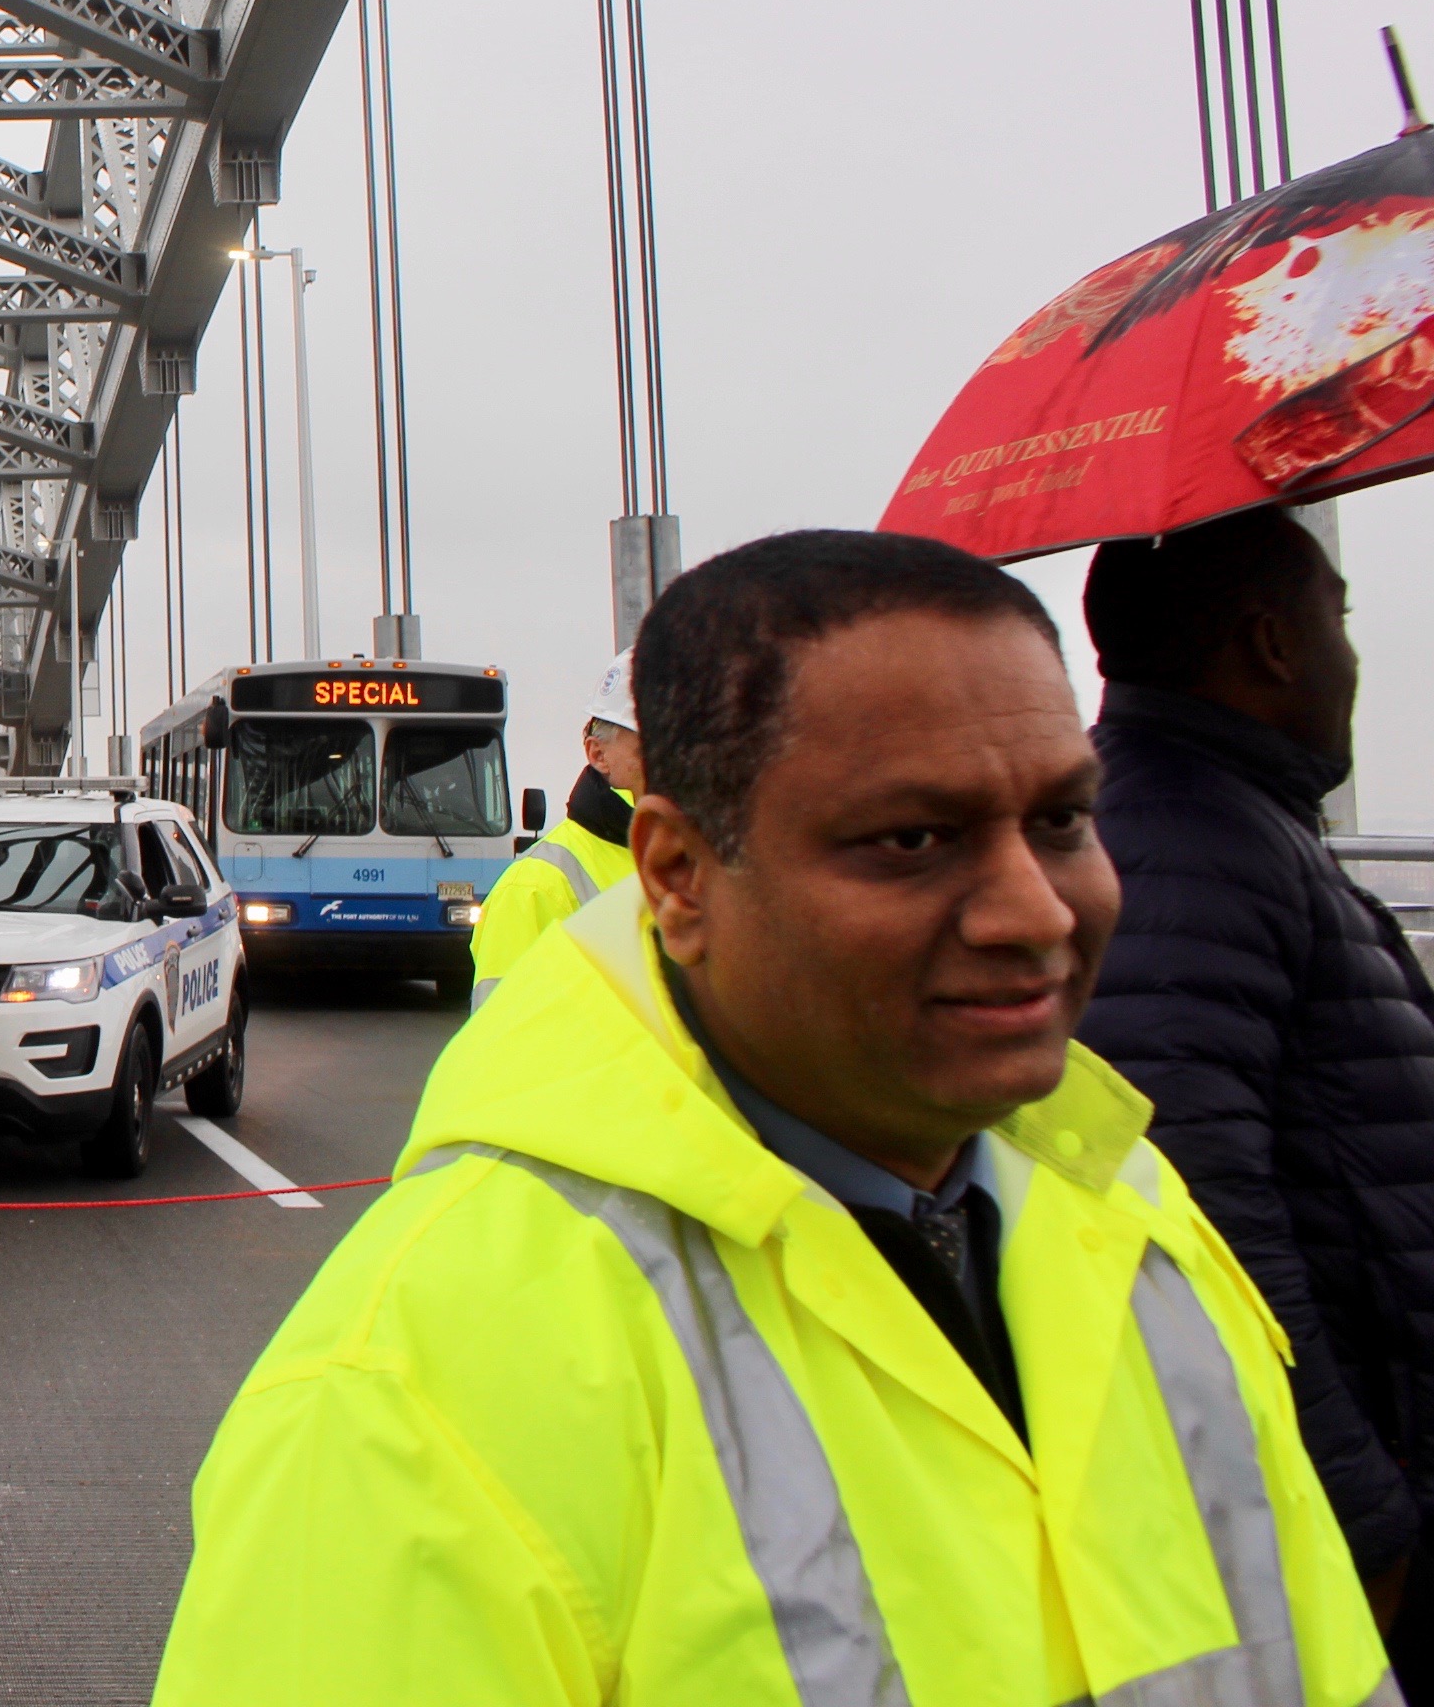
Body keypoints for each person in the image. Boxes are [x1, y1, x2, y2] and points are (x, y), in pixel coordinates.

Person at [155, 528, 1389, 1707]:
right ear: (677, 877)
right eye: (913, 838)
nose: (1035, 912)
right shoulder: (410, 1385)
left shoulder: (1134, 1213)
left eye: (1064, 821)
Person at [1076, 505, 1434, 1689]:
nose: (1352, 656)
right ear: (1271, 644)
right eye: (1336, 618)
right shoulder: (1181, 840)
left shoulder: (1230, 821)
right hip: (1355, 1503)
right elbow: (1201, 1216)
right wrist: (1361, 1512)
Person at [468, 648, 640, 1001]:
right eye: (659, 736)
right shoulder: (534, 887)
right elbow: (507, 1044)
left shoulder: (728, 860)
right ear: (598, 754)